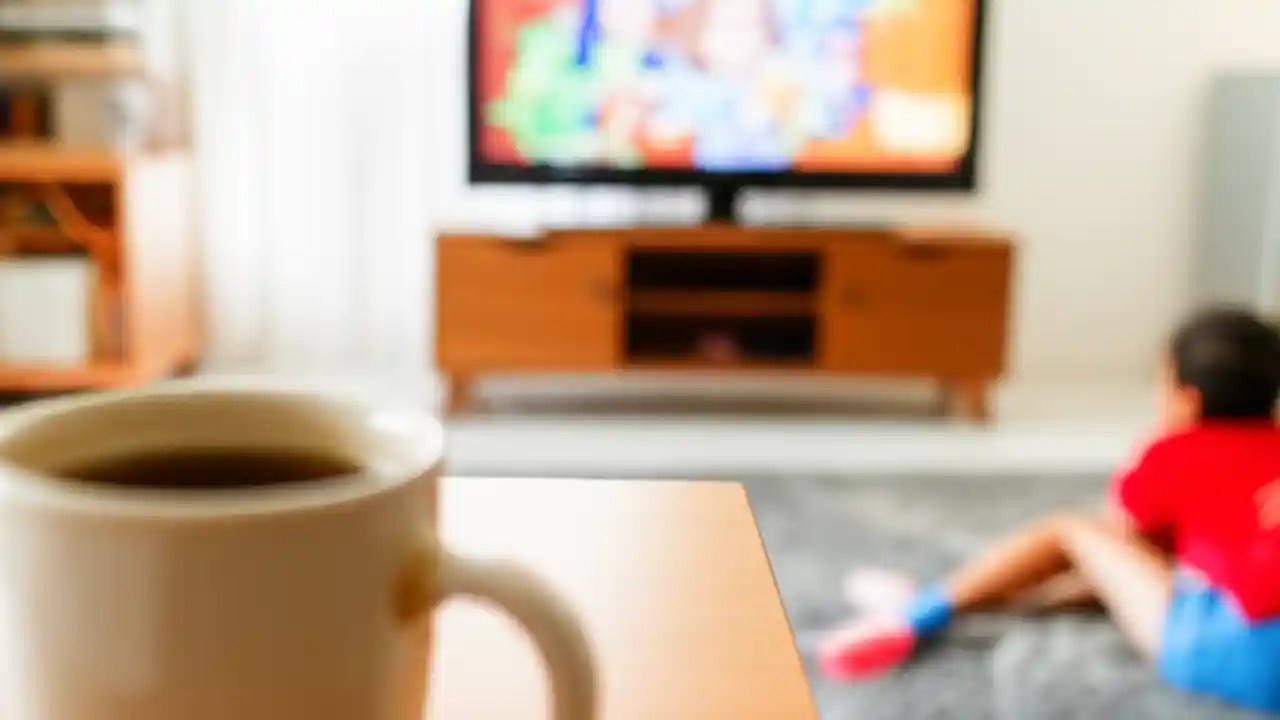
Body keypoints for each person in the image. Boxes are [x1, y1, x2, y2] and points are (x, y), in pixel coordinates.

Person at [821, 307, 1280, 713]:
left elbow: (1120, 535)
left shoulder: (1176, 452)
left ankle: (915, 612)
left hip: (1227, 645)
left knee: (1073, 532)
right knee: (1149, 569)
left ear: (1187, 398)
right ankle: (990, 605)